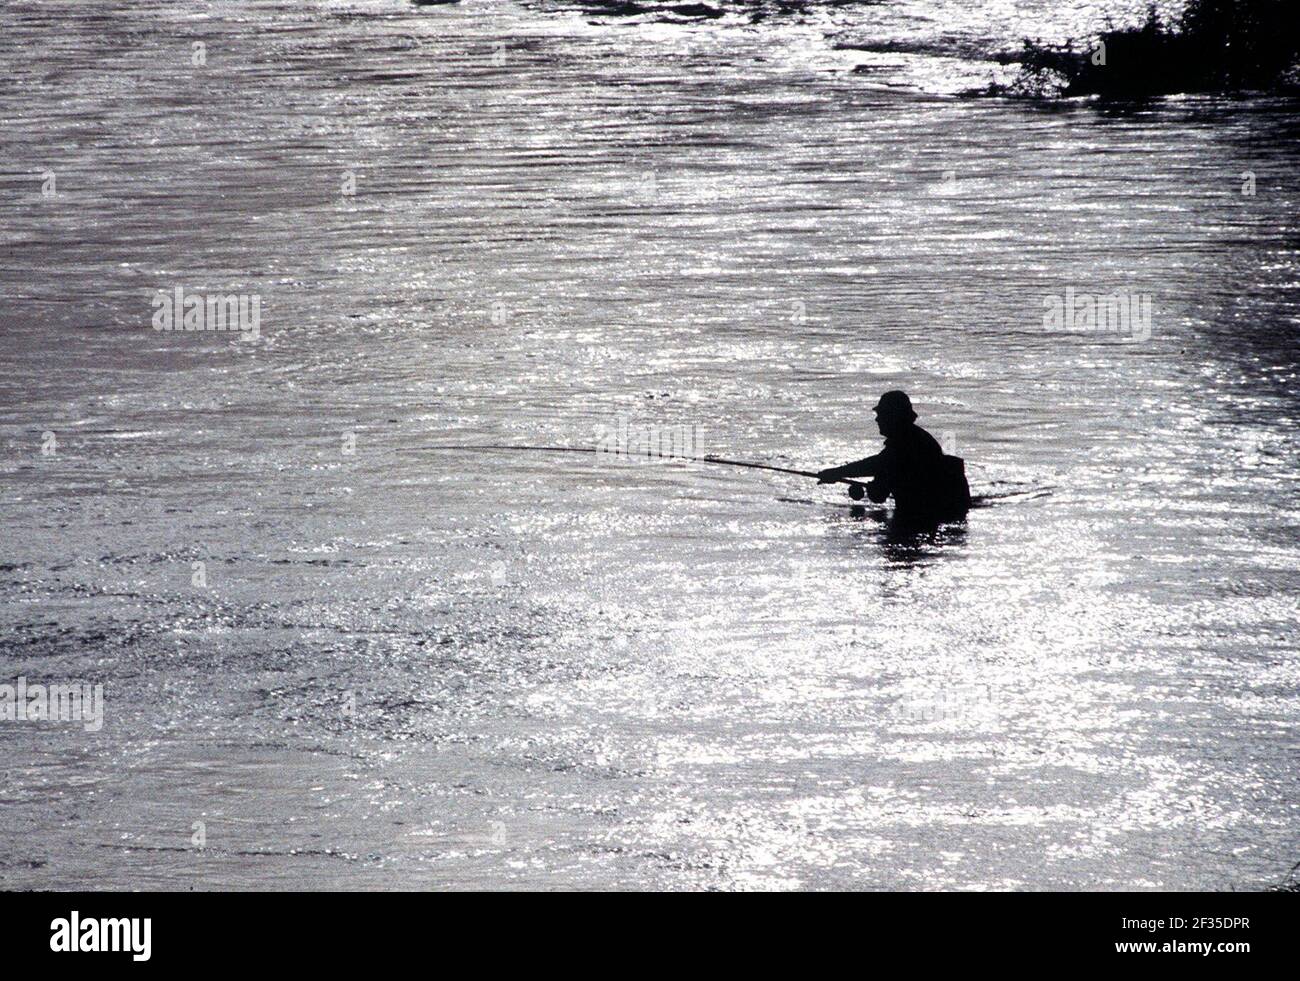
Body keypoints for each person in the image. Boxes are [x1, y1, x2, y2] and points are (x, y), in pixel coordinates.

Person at [817, 390, 970, 521]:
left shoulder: (907, 443)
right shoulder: (915, 438)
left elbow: (877, 468)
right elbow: (881, 485)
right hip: (937, 511)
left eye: (882, 414)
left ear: (893, 417)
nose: (877, 419)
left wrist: (836, 473)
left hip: (925, 513)